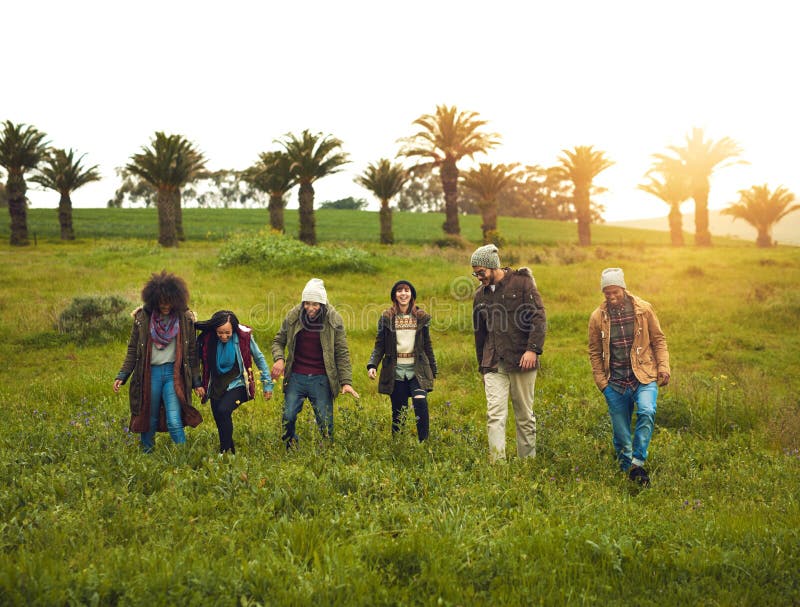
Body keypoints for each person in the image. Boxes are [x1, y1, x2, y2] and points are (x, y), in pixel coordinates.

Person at [588, 267, 671, 487]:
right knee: (621, 433)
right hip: (614, 383)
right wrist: (602, 383)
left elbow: (659, 340)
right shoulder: (597, 317)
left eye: (615, 292)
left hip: (643, 377)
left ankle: (638, 461)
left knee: (647, 411)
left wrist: (664, 367)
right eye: (607, 293)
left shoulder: (644, 310)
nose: (612, 297)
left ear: (623, 288)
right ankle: (630, 473)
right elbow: (594, 352)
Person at [471, 244, 547, 463]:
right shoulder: (480, 296)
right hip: (493, 363)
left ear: (492, 266)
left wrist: (532, 350)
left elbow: (538, 318)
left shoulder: (522, 283)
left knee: (524, 415)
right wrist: (482, 368)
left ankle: (527, 462)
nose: (478, 277)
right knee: (494, 415)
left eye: (481, 272)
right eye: (475, 273)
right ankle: (497, 466)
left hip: (521, 360)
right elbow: (480, 335)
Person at [113, 270, 203, 452]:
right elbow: (133, 350)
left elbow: (192, 354)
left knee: (174, 418)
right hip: (150, 374)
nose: (165, 306)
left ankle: (182, 456)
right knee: (149, 416)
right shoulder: (142, 318)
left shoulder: (185, 319)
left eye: (169, 301)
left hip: (173, 374)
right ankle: (147, 454)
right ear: (153, 299)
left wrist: (196, 382)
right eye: (161, 302)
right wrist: (123, 374)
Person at [271, 278, 358, 447]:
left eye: (315, 304)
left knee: (326, 425)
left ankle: (325, 452)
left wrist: (346, 382)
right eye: (307, 303)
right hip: (296, 375)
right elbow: (278, 341)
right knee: (287, 417)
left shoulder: (334, 319)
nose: (310, 308)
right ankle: (291, 444)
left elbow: (342, 352)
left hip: (321, 377)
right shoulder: (293, 316)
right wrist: (279, 359)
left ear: (323, 304)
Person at [195, 310, 274, 455]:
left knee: (224, 410)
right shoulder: (208, 339)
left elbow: (260, 358)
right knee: (219, 418)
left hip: (238, 383)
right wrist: (197, 383)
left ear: (234, 329)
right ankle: (230, 452)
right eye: (220, 333)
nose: (224, 336)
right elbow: (194, 360)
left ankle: (224, 452)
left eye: (227, 333)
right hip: (216, 384)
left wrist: (267, 384)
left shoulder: (243, 338)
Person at [367, 280, 437, 442]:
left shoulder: (421, 317)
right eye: (399, 291)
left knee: (420, 404)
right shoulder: (387, 317)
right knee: (399, 411)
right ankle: (397, 443)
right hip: (396, 371)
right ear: (394, 296)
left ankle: (424, 443)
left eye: (406, 290)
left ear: (411, 294)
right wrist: (372, 365)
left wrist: (433, 369)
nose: (403, 293)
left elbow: (427, 345)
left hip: (417, 370)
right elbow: (379, 345)